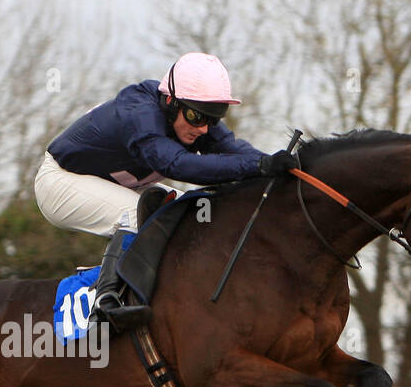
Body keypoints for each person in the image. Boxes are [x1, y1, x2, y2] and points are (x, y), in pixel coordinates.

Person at [35, 52, 295, 331]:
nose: (203, 128)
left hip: (115, 182)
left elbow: (233, 150)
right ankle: (104, 304)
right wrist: (257, 165)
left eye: (213, 119)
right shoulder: (139, 114)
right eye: (196, 116)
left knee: (195, 212)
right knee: (136, 217)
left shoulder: (189, 113)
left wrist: (274, 166)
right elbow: (178, 165)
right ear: (170, 102)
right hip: (60, 181)